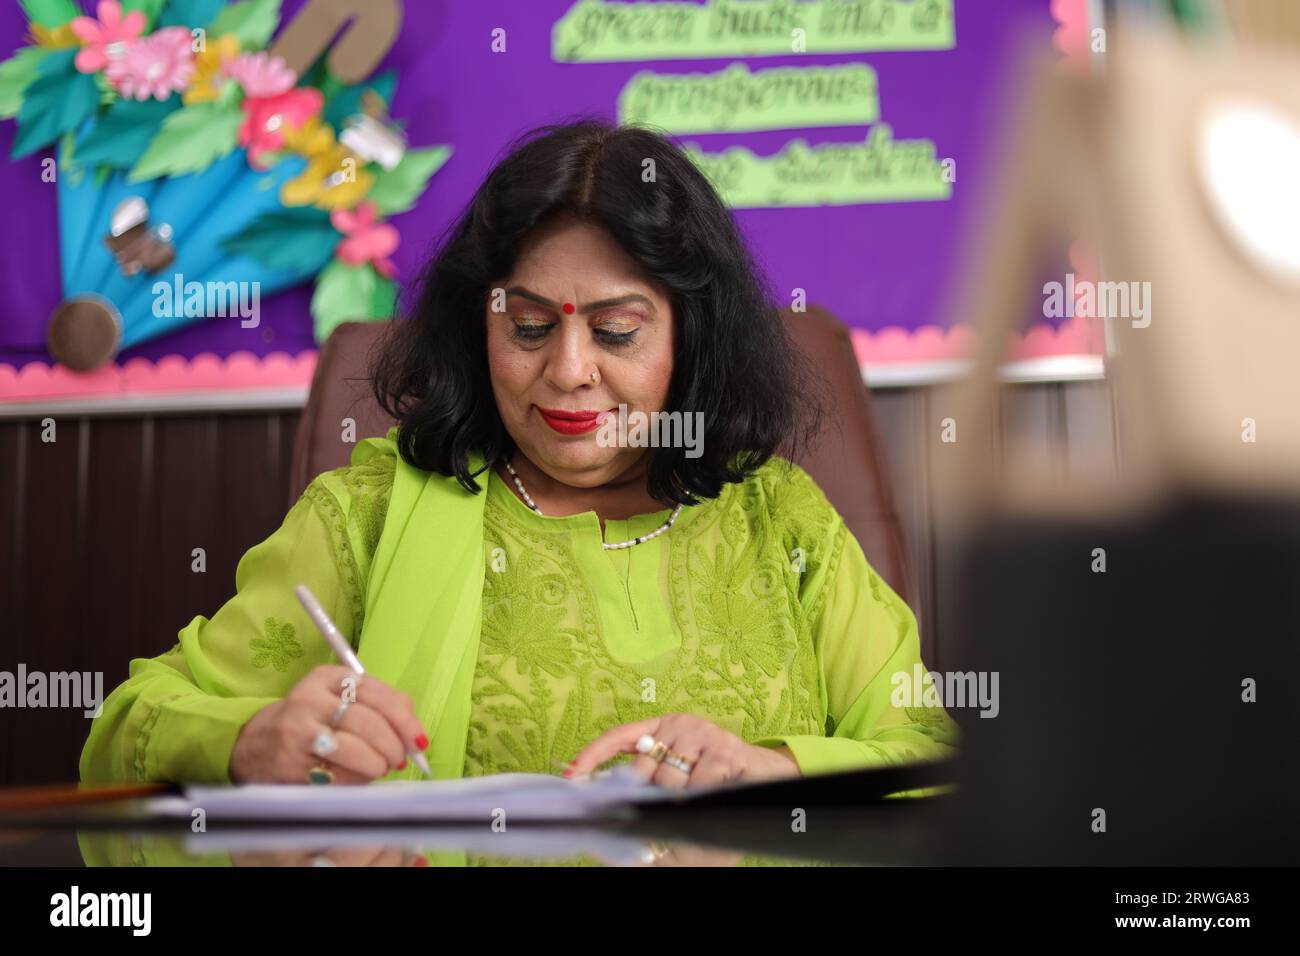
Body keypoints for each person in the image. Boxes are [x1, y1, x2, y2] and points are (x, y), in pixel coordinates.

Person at [80, 120, 959, 793]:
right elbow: (124, 731)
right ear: (480, 323)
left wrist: (772, 770)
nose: (569, 372)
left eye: (616, 332)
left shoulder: (779, 516)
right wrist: (249, 742)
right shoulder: (372, 515)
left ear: (693, 338)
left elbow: (929, 758)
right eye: (529, 327)